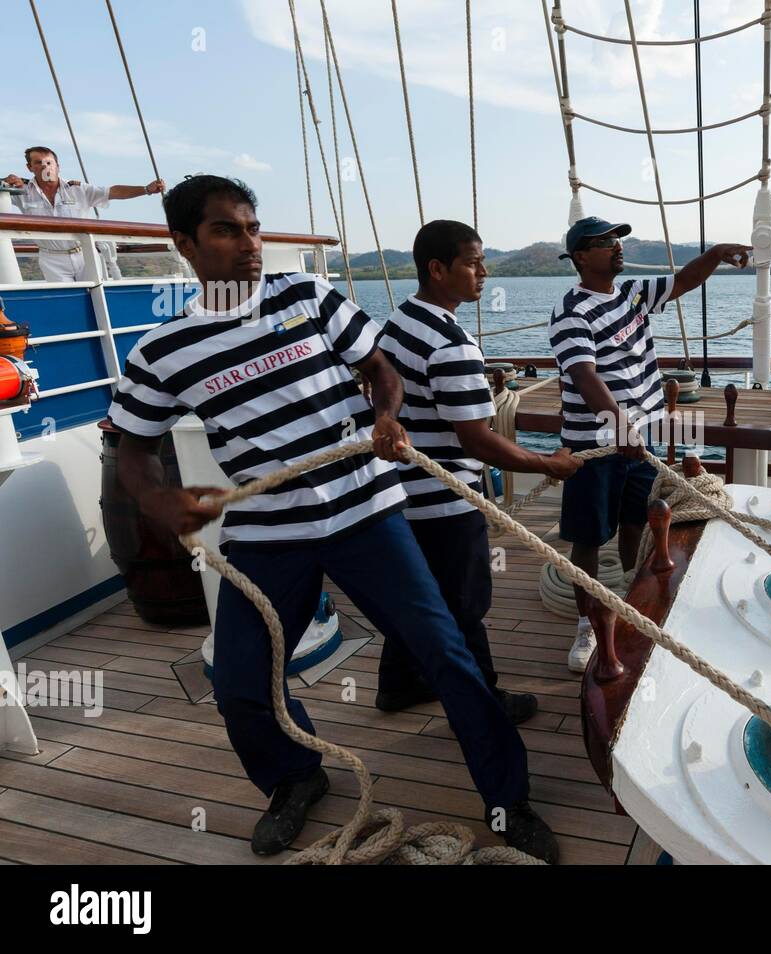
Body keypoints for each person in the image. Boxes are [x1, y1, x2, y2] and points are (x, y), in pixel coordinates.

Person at [106, 175, 557, 863]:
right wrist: (162, 501)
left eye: (254, 227)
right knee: (239, 681)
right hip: (266, 532)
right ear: (184, 244)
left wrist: (384, 412)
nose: (250, 244)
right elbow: (132, 451)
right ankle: (295, 778)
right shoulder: (162, 352)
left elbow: (380, 370)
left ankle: (507, 800)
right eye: (227, 230)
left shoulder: (308, 296)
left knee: (449, 655)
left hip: (365, 511)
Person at [374, 219, 582, 721]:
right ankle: (482, 700)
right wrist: (549, 463)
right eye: (472, 262)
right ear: (438, 269)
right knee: (465, 604)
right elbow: (478, 439)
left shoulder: (396, 324)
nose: (484, 273)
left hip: (400, 496)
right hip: (444, 500)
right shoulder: (451, 343)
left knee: (421, 598)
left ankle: (398, 686)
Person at [549, 216, 750, 671]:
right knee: (588, 538)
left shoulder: (632, 294)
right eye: (604, 243)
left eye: (618, 240)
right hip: (595, 446)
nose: (617, 248)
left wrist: (716, 253)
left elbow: (682, 281)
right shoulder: (571, 313)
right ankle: (586, 627)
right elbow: (584, 375)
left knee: (637, 524)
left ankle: (631, 601)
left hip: (636, 440)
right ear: (581, 256)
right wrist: (618, 426)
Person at [3, 146, 164, 282]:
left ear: (57, 166)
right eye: (39, 163)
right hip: (52, 259)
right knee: (68, 303)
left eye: (49, 162)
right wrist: (4, 182)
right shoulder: (21, 191)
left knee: (96, 298)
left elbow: (113, 192)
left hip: (85, 255)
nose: (45, 167)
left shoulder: (79, 189)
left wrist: (146, 189)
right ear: (30, 167)